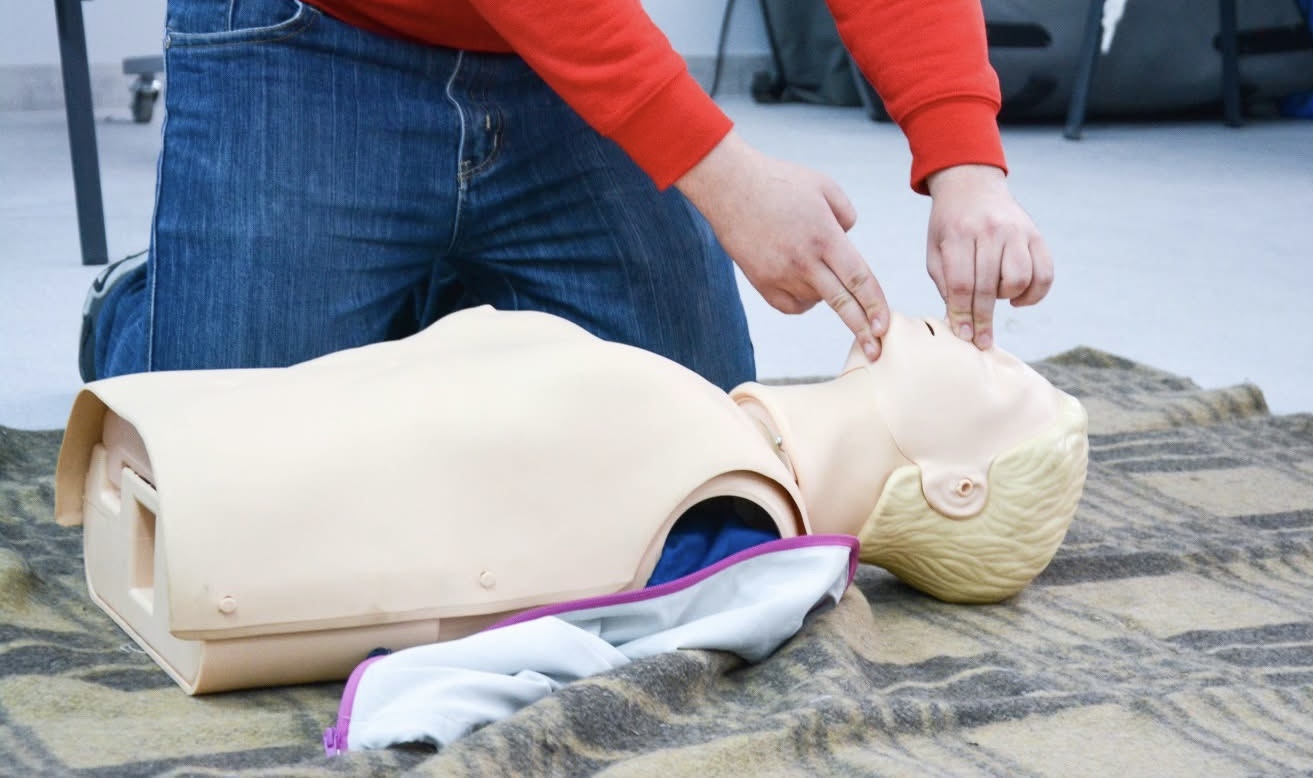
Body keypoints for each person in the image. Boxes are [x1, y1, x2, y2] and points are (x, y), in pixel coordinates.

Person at [79, 0, 1053, 392]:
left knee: (693, 459)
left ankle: (417, 293)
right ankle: (143, 315)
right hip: (304, 16)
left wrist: (966, 163)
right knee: (242, 494)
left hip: (554, 49)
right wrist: (723, 174)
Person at [57, 306, 1088, 695]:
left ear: (958, 487)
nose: (989, 341)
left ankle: (138, 304)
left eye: (1005, 379)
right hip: (191, 444)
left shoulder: (732, 521)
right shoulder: (714, 443)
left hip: (211, 500)